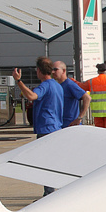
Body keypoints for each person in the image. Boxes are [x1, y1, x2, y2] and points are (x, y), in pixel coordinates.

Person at [13, 58, 63, 196]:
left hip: (46, 129)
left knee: (45, 163)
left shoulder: (45, 85)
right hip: (56, 127)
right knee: (52, 162)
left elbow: (32, 96)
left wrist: (19, 81)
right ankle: (52, 192)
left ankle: (49, 194)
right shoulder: (57, 85)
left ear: (39, 71)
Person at [51, 60, 90, 128]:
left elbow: (87, 98)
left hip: (70, 125)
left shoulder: (69, 84)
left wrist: (79, 118)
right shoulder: (57, 85)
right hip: (61, 124)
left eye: (55, 69)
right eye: (52, 70)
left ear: (63, 71)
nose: (53, 72)